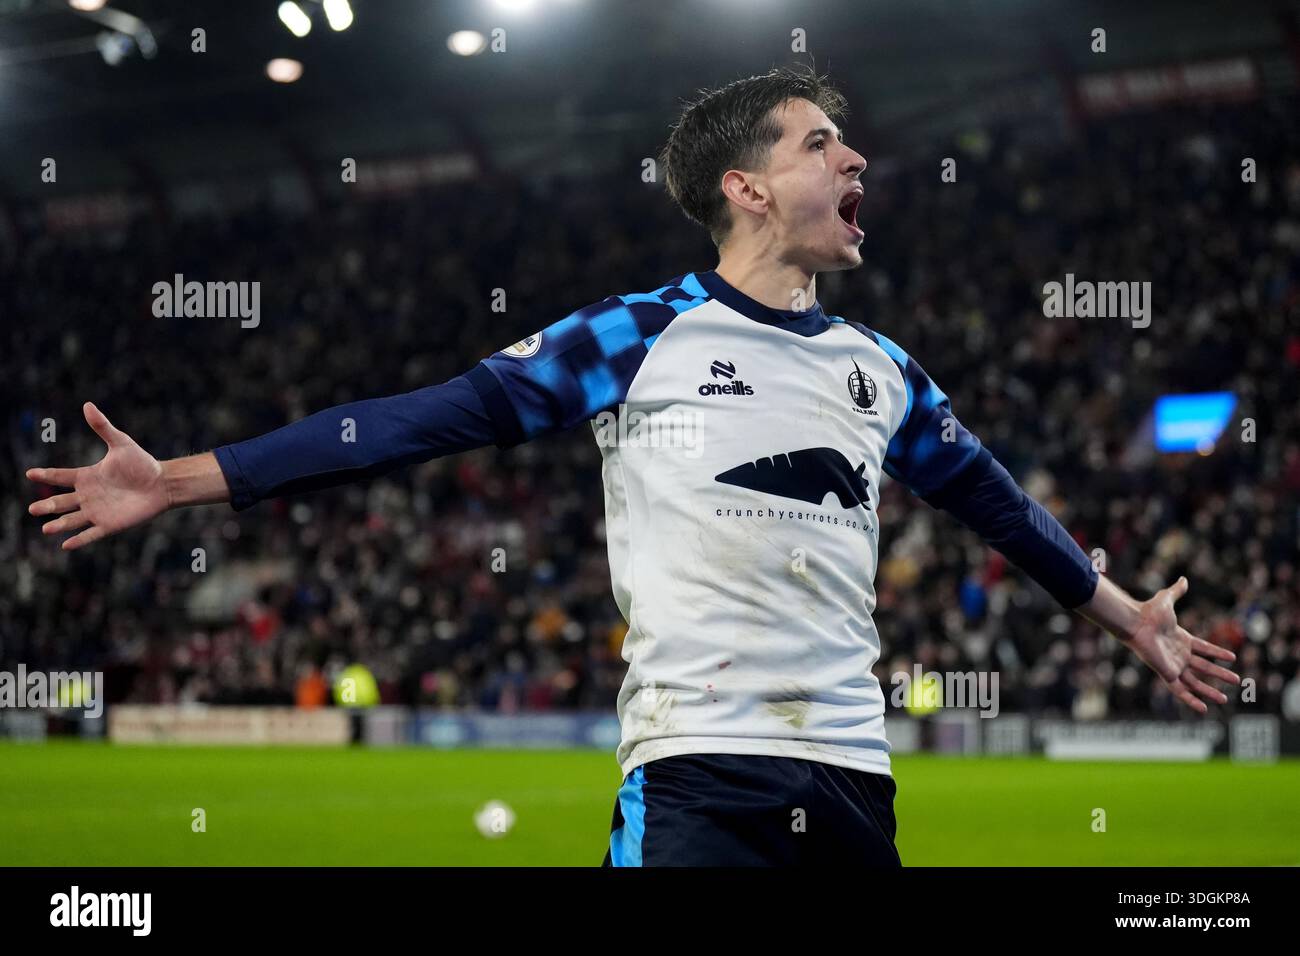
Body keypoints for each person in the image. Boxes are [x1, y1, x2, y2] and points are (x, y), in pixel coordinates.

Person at [26, 65, 1239, 866]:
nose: (859, 161)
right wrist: (182, 478)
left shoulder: (885, 371)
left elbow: (994, 502)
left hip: (855, 780)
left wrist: (1125, 613)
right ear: (746, 185)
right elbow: (415, 419)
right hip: (696, 774)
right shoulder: (634, 334)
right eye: (826, 144)